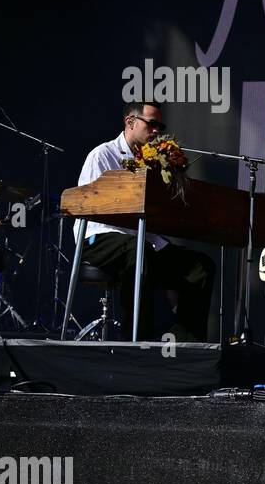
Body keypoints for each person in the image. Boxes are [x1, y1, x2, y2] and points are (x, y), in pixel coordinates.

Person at [75, 102, 216, 341]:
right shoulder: (103, 154)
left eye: (160, 126)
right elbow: (88, 205)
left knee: (200, 267)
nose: (156, 131)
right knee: (138, 252)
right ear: (130, 122)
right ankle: (136, 340)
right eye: (152, 124)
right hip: (100, 236)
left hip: (141, 237)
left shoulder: (154, 162)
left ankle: (184, 342)